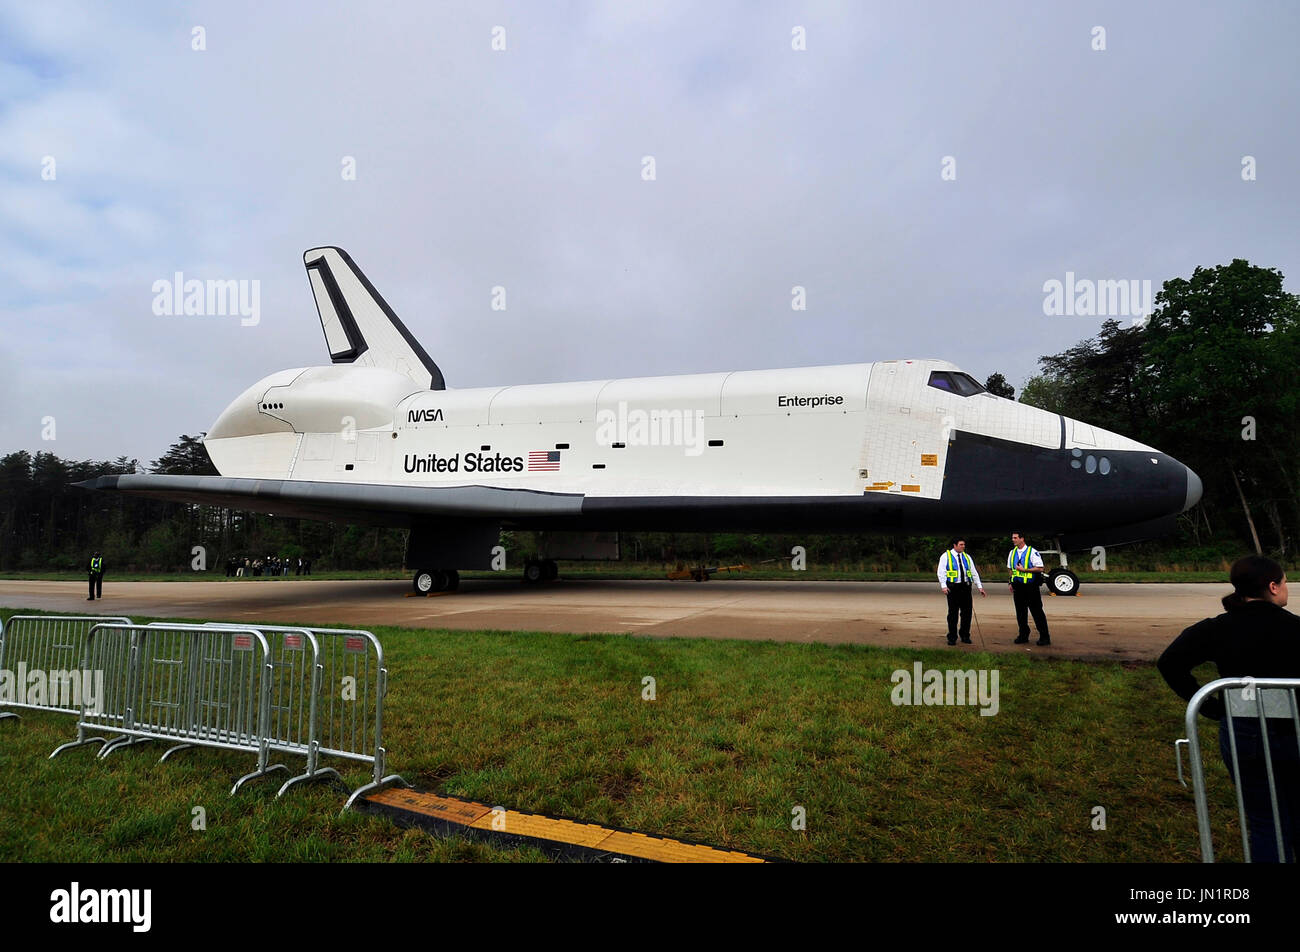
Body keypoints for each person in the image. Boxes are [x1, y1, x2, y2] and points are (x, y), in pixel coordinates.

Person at [1157, 556, 1300, 862]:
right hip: (1294, 733)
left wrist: (1211, 706)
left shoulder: (1217, 628)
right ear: (1273, 587)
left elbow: (1170, 662)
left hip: (1244, 733)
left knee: (1267, 822)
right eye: (1286, 582)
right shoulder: (1294, 628)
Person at [937, 538, 985, 644]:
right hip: (953, 588)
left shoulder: (967, 557)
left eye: (964, 544)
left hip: (966, 587)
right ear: (955, 545)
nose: (963, 546)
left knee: (967, 613)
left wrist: (980, 586)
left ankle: (965, 635)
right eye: (961, 544)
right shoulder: (946, 556)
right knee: (953, 614)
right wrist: (944, 586)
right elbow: (941, 572)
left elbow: (973, 572)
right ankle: (952, 637)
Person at [1006, 532, 1049, 645]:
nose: (1013, 540)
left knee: (1037, 612)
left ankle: (1045, 636)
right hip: (1018, 587)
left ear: (1022, 539)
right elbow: (1010, 569)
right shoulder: (1012, 552)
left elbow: (1040, 568)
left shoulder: (1032, 552)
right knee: (1020, 613)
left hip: (1031, 587)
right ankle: (1023, 635)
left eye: (1015, 538)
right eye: (1012, 538)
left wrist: (1025, 570)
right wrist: (1010, 582)